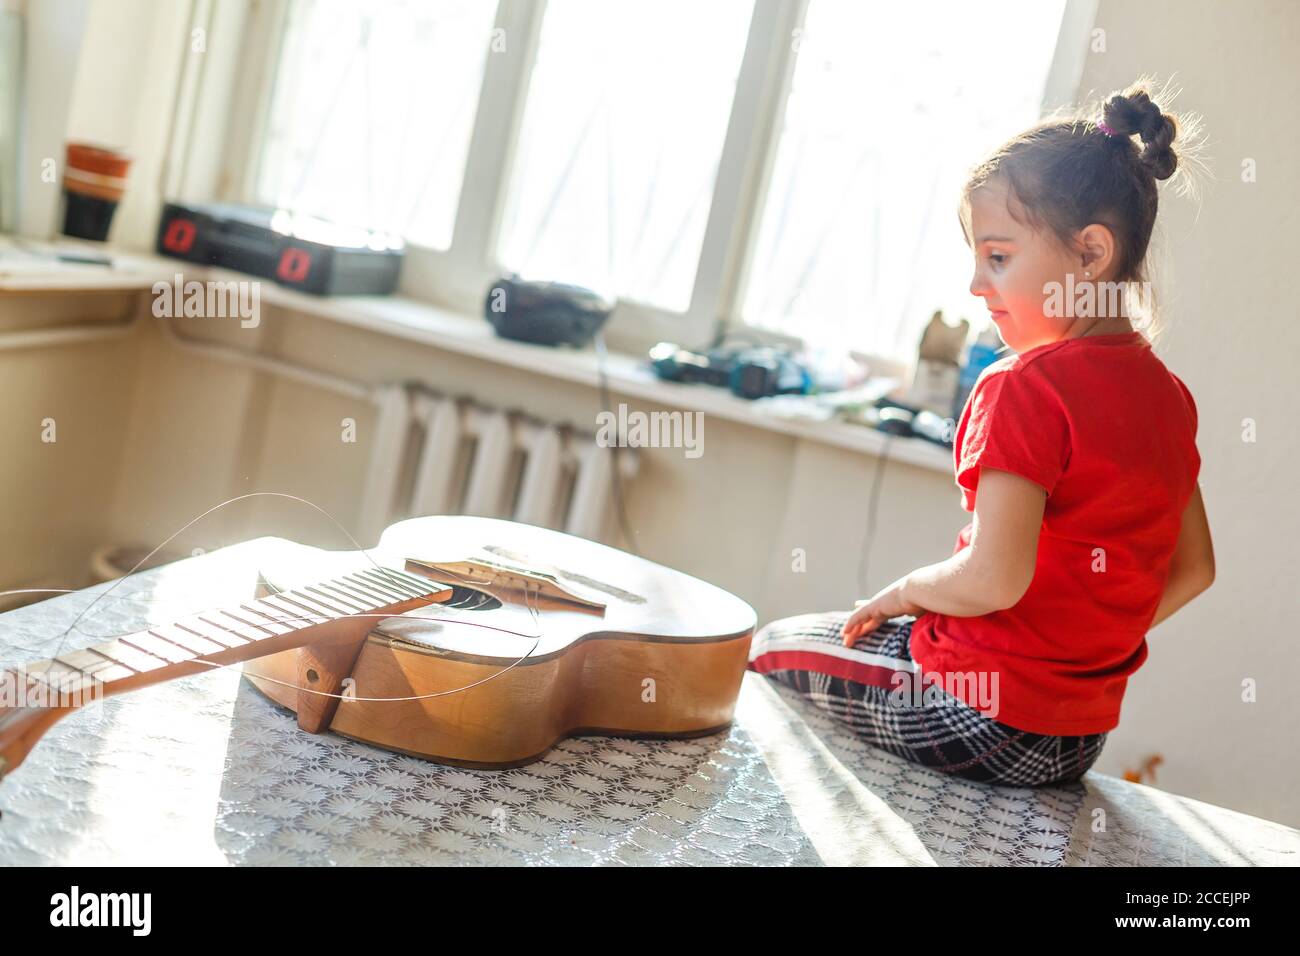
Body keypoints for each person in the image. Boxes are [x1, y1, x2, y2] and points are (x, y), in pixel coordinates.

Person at [748, 81, 1214, 788]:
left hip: (971, 710)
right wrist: (1075, 647)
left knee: (764, 654)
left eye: (997, 257)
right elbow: (1194, 570)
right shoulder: (1170, 401)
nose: (976, 284)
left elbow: (993, 577)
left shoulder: (1025, 384)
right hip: (1076, 736)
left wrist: (901, 593)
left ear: (1090, 254)